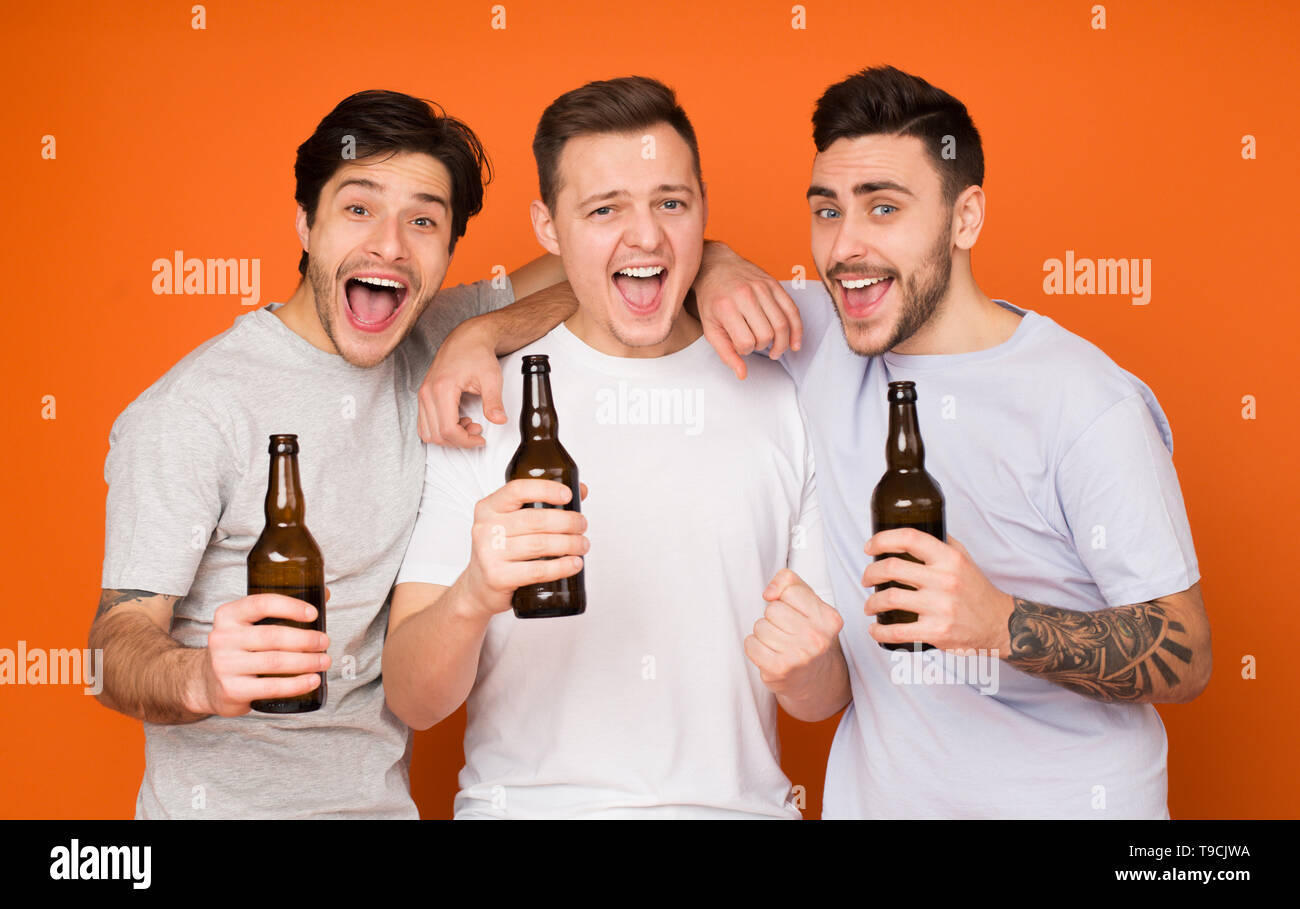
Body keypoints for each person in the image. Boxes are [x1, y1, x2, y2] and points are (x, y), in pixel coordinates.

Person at [423, 66, 1211, 819]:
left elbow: (1187, 652)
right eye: (828, 211)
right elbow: (636, 263)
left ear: (965, 216)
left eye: (885, 208)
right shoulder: (815, 336)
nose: (844, 249)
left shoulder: (1085, 401)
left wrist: (1001, 620)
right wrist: (482, 331)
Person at [383, 76, 848, 819]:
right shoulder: (488, 406)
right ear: (548, 226)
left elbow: (825, 700)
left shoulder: (782, 397)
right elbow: (412, 698)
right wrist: (474, 593)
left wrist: (810, 667)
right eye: (605, 209)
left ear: (702, 208)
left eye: (671, 202)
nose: (647, 236)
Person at [90, 89, 564, 818]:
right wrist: (199, 679)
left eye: (424, 221)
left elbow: (595, 269)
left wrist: (713, 262)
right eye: (358, 208)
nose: (391, 245)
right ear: (306, 222)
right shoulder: (195, 408)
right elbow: (114, 647)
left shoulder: (428, 334)